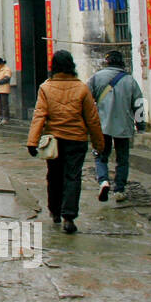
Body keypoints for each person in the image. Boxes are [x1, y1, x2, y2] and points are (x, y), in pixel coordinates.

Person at [26, 50, 105, 233]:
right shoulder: (82, 88)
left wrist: (32, 141)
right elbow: (92, 119)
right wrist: (99, 144)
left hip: (54, 141)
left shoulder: (46, 88)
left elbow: (39, 116)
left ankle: (54, 211)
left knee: (53, 176)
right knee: (73, 177)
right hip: (77, 140)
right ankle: (69, 217)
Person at [90, 50, 146, 202]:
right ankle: (119, 190)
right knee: (122, 159)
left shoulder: (96, 78)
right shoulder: (130, 80)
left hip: (102, 126)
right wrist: (141, 125)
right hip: (124, 126)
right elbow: (138, 104)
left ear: (107, 62)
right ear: (122, 62)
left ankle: (104, 181)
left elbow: (86, 100)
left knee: (101, 156)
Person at [0, 57, 12, 124]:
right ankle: (0, 117)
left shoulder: (7, 69)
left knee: (4, 105)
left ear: (0, 64)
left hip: (4, 89)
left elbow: (6, 79)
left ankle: (6, 118)